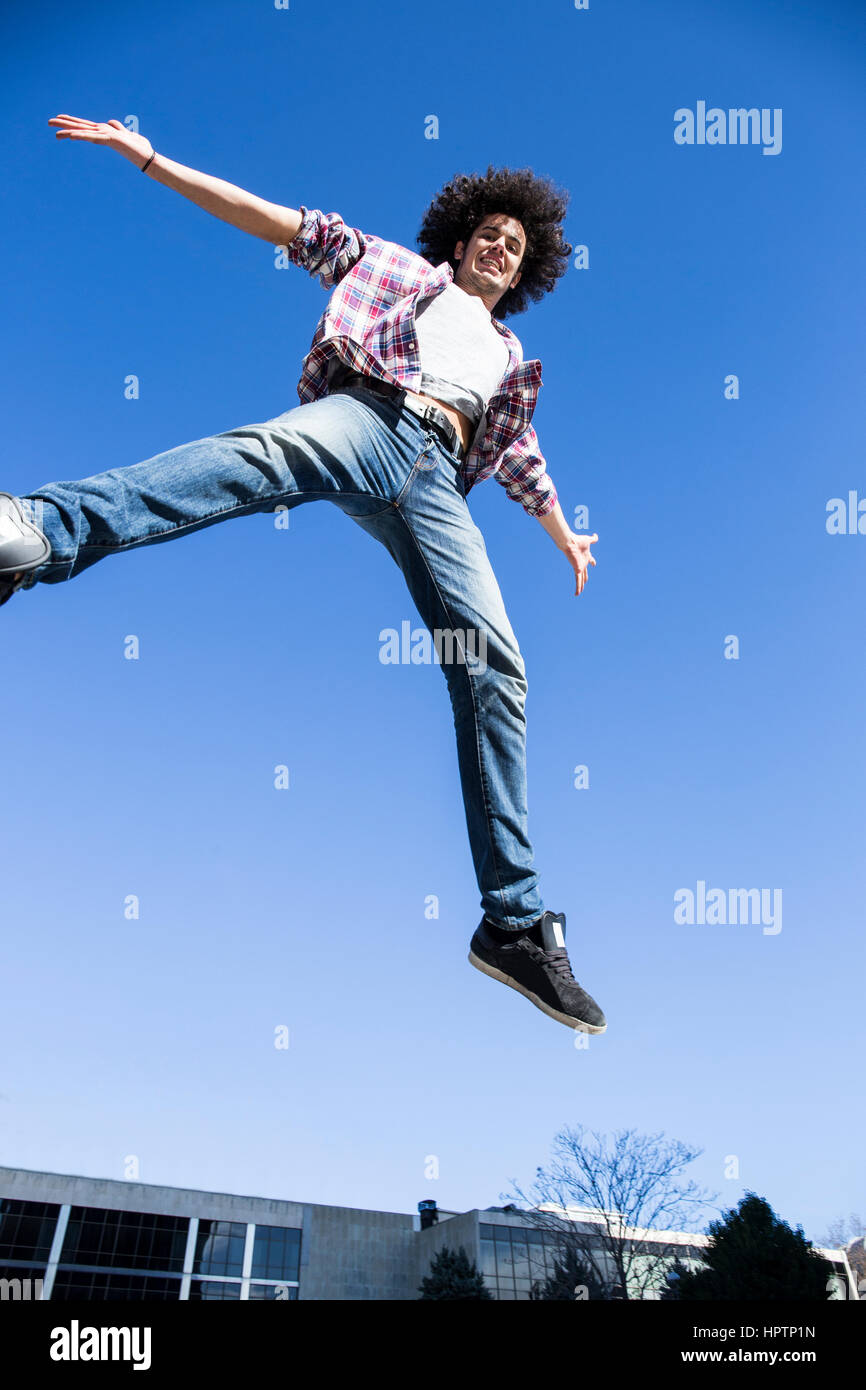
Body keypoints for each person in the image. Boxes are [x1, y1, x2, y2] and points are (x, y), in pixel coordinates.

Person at [0, 113, 606, 1034]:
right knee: (254, 458)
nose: (500, 248)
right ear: (463, 238)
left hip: (437, 484)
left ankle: (513, 924)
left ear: (524, 272)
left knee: (496, 668)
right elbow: (270, 218)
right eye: (490, 233)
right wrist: (153, 160)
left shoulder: (511, 360)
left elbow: (524, 461)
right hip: (367, 419)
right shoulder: (394, 269)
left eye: (516, 247)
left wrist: (565, 535)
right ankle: (38, 532)